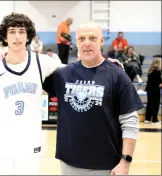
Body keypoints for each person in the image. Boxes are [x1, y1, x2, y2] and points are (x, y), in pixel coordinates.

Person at [0, 13, 124, 175]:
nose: (17, 37)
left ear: (29, 36)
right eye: (12, 32)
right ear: (4, 36)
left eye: (21, 31)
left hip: (30, 146)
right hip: (0, 146)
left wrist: (103, 63)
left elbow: (77, 69)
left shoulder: (41, 62)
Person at [43, 21, 144, 175]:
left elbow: (130, 122)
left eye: (92, 38)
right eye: (81, 39)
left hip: (106, 165)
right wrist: (8, 55)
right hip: (69, 164)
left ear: (101, 41)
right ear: (76, 42)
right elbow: (31, 75)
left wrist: (125, 161)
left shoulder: (117, 75)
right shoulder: (63, 75)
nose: (87, 43)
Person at [145, 56, 162, 124]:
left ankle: (147, 119)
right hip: (155, 89)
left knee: (150, 104)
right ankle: (155, 119)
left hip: (149, 89)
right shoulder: (157, 71)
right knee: (156, 105)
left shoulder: (150, 70)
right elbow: (158, 82)